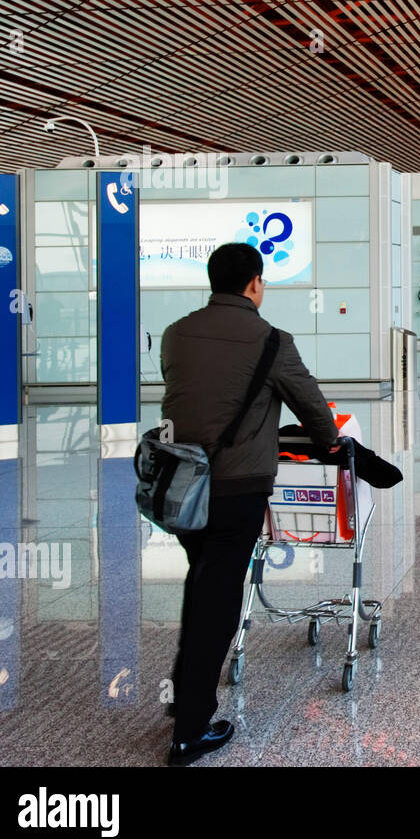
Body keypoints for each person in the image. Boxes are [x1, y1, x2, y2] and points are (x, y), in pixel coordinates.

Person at [159, 243, 340, 766]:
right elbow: (311, 406)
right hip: (236, 491)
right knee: (216, 602)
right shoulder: (271, 340)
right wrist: (329, 440)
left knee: (202, 586)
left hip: (181, 486)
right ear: (255, 284)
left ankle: (181, 697)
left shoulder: (176, 333)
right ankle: (190, 731)